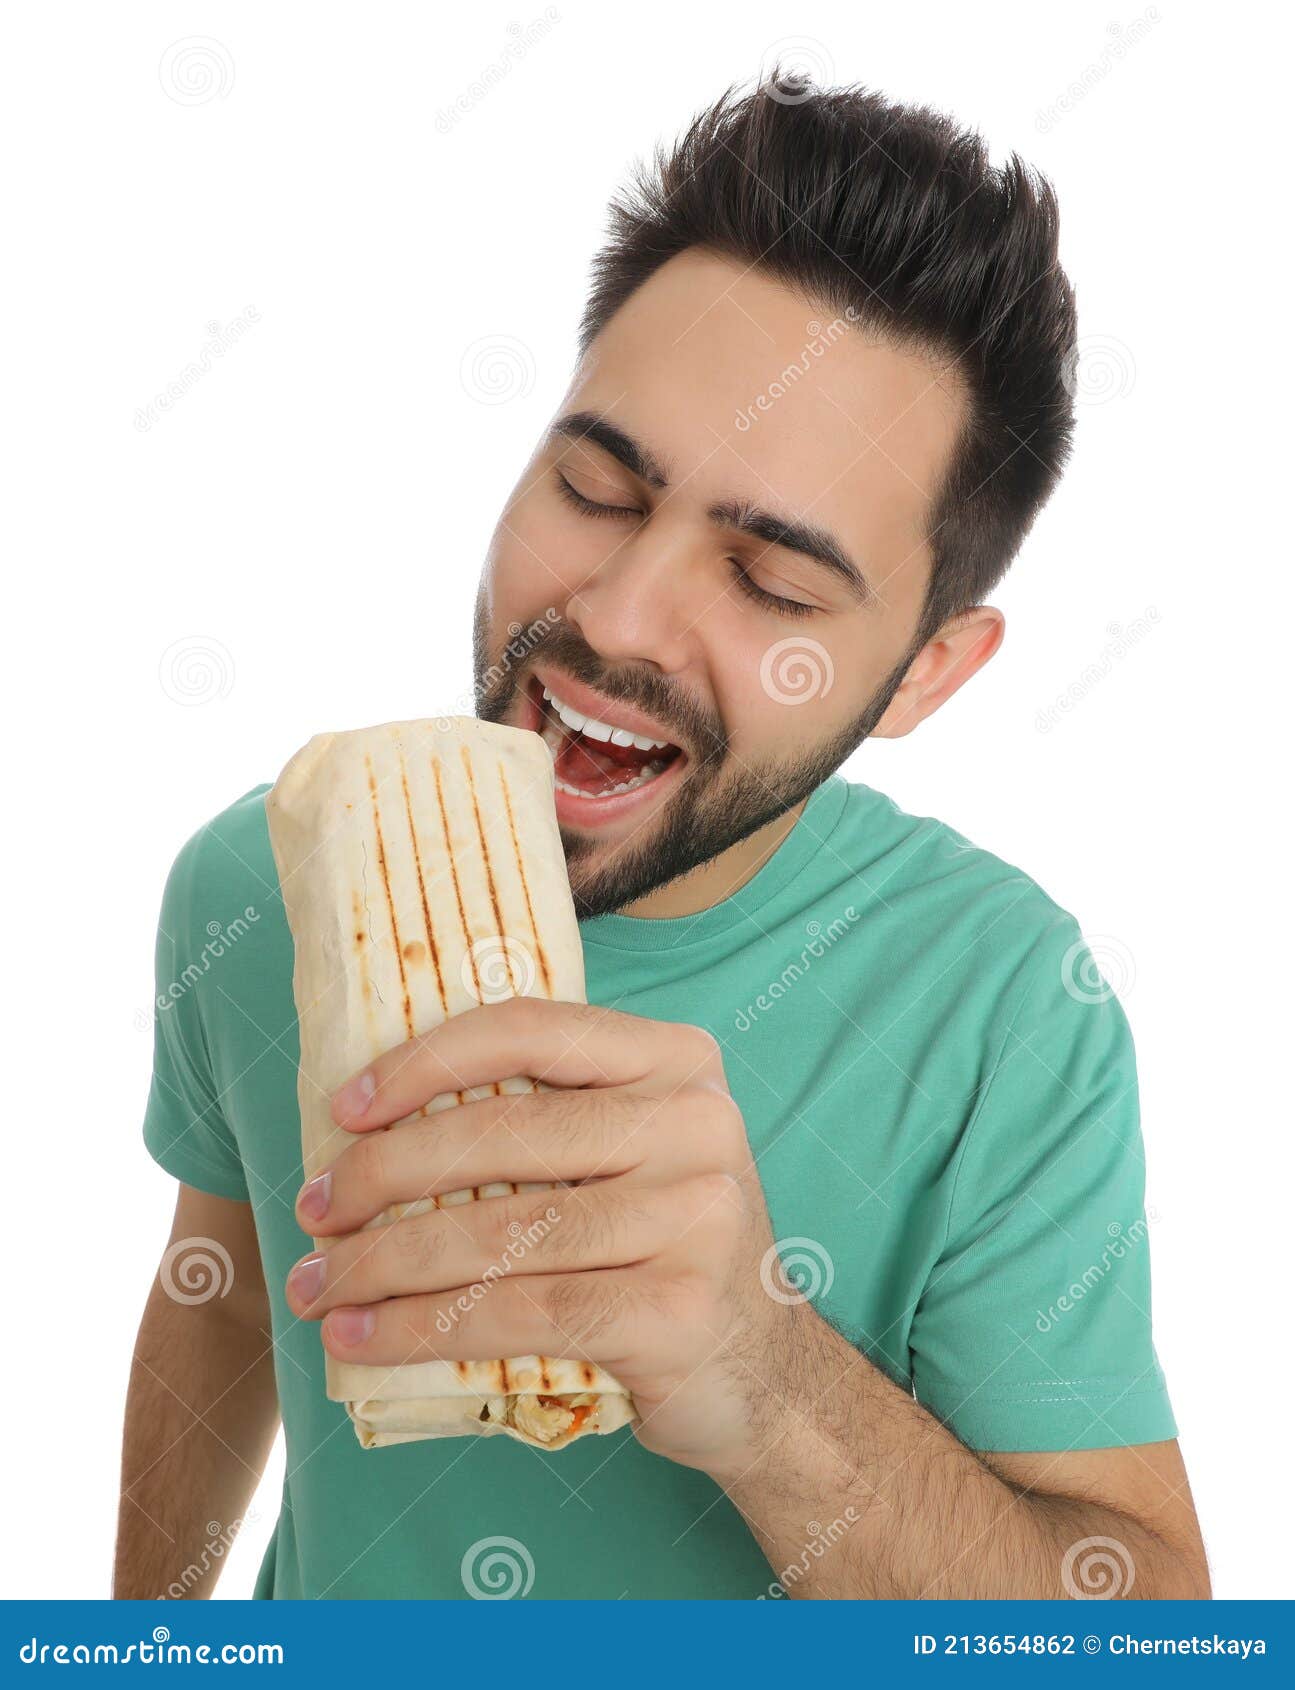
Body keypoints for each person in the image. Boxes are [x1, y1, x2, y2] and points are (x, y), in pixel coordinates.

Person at [115, 75, 1209, 1601]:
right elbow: (226, 1302)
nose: (615, 621)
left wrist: (763, 1377)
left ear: (926, 672)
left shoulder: (1005, 1004)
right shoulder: (255, 879)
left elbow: (1143, 1618)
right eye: (597, 486)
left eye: (772, 583)